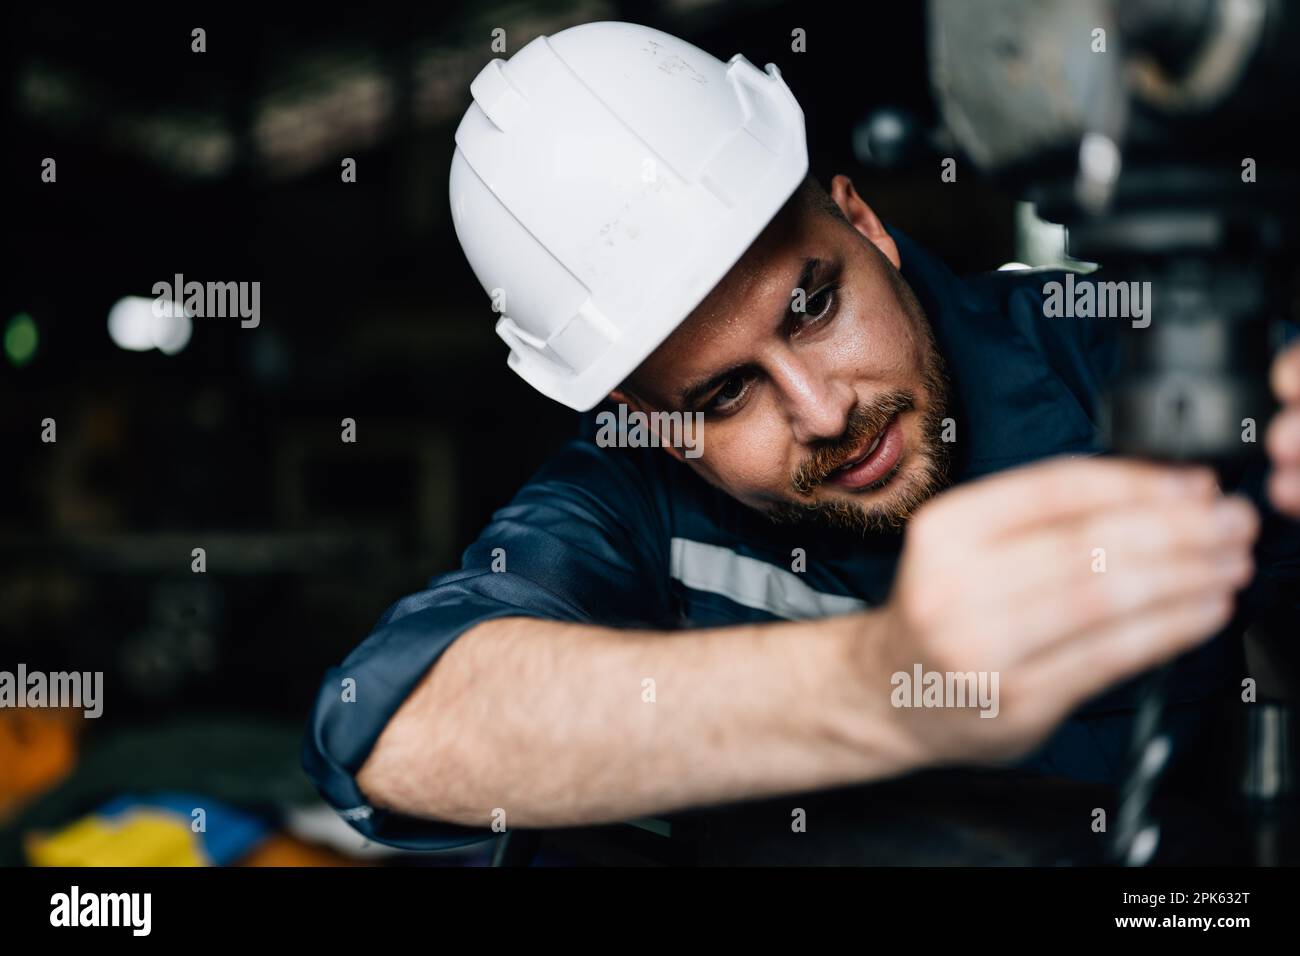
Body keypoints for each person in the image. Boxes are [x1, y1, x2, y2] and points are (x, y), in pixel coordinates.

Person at [303, 22, 1300, 850]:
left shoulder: (1118, 357)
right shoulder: (628, 505)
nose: (822, 411)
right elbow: (391, 724)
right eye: (726, 393)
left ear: (861, 221)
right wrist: (884, 681)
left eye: (814, 306)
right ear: (645, 417)